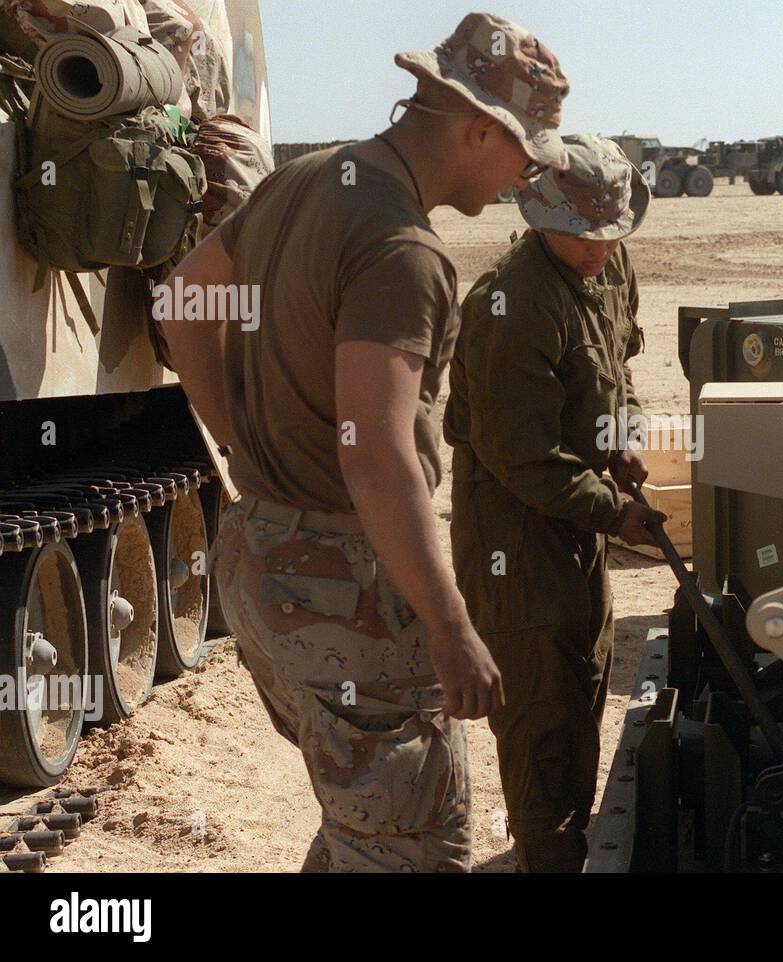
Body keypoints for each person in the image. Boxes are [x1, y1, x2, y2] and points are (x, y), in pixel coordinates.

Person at [159, 12, 570, 872]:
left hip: (261, 560)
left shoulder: (305, 178)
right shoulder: (402, 251)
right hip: (349, 594)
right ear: (476, 128)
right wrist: (452, 628)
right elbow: (377, 456)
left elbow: (182, 299)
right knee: (415, 847)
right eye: (524, 153)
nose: (526, 176)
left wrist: (239, 443)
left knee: (365, 829)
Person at [444, 134, 661, 871]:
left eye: (612, 232)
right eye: (582, 235)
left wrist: (624, 431)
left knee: (584, 684)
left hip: (572, 517)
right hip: (516, 533)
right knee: (544, 723)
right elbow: (522, 459)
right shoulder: (512, 304)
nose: (601, 250)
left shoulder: (605, 263)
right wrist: (614, 512)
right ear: (540, 219)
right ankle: (551, 855)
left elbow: (619, 361)